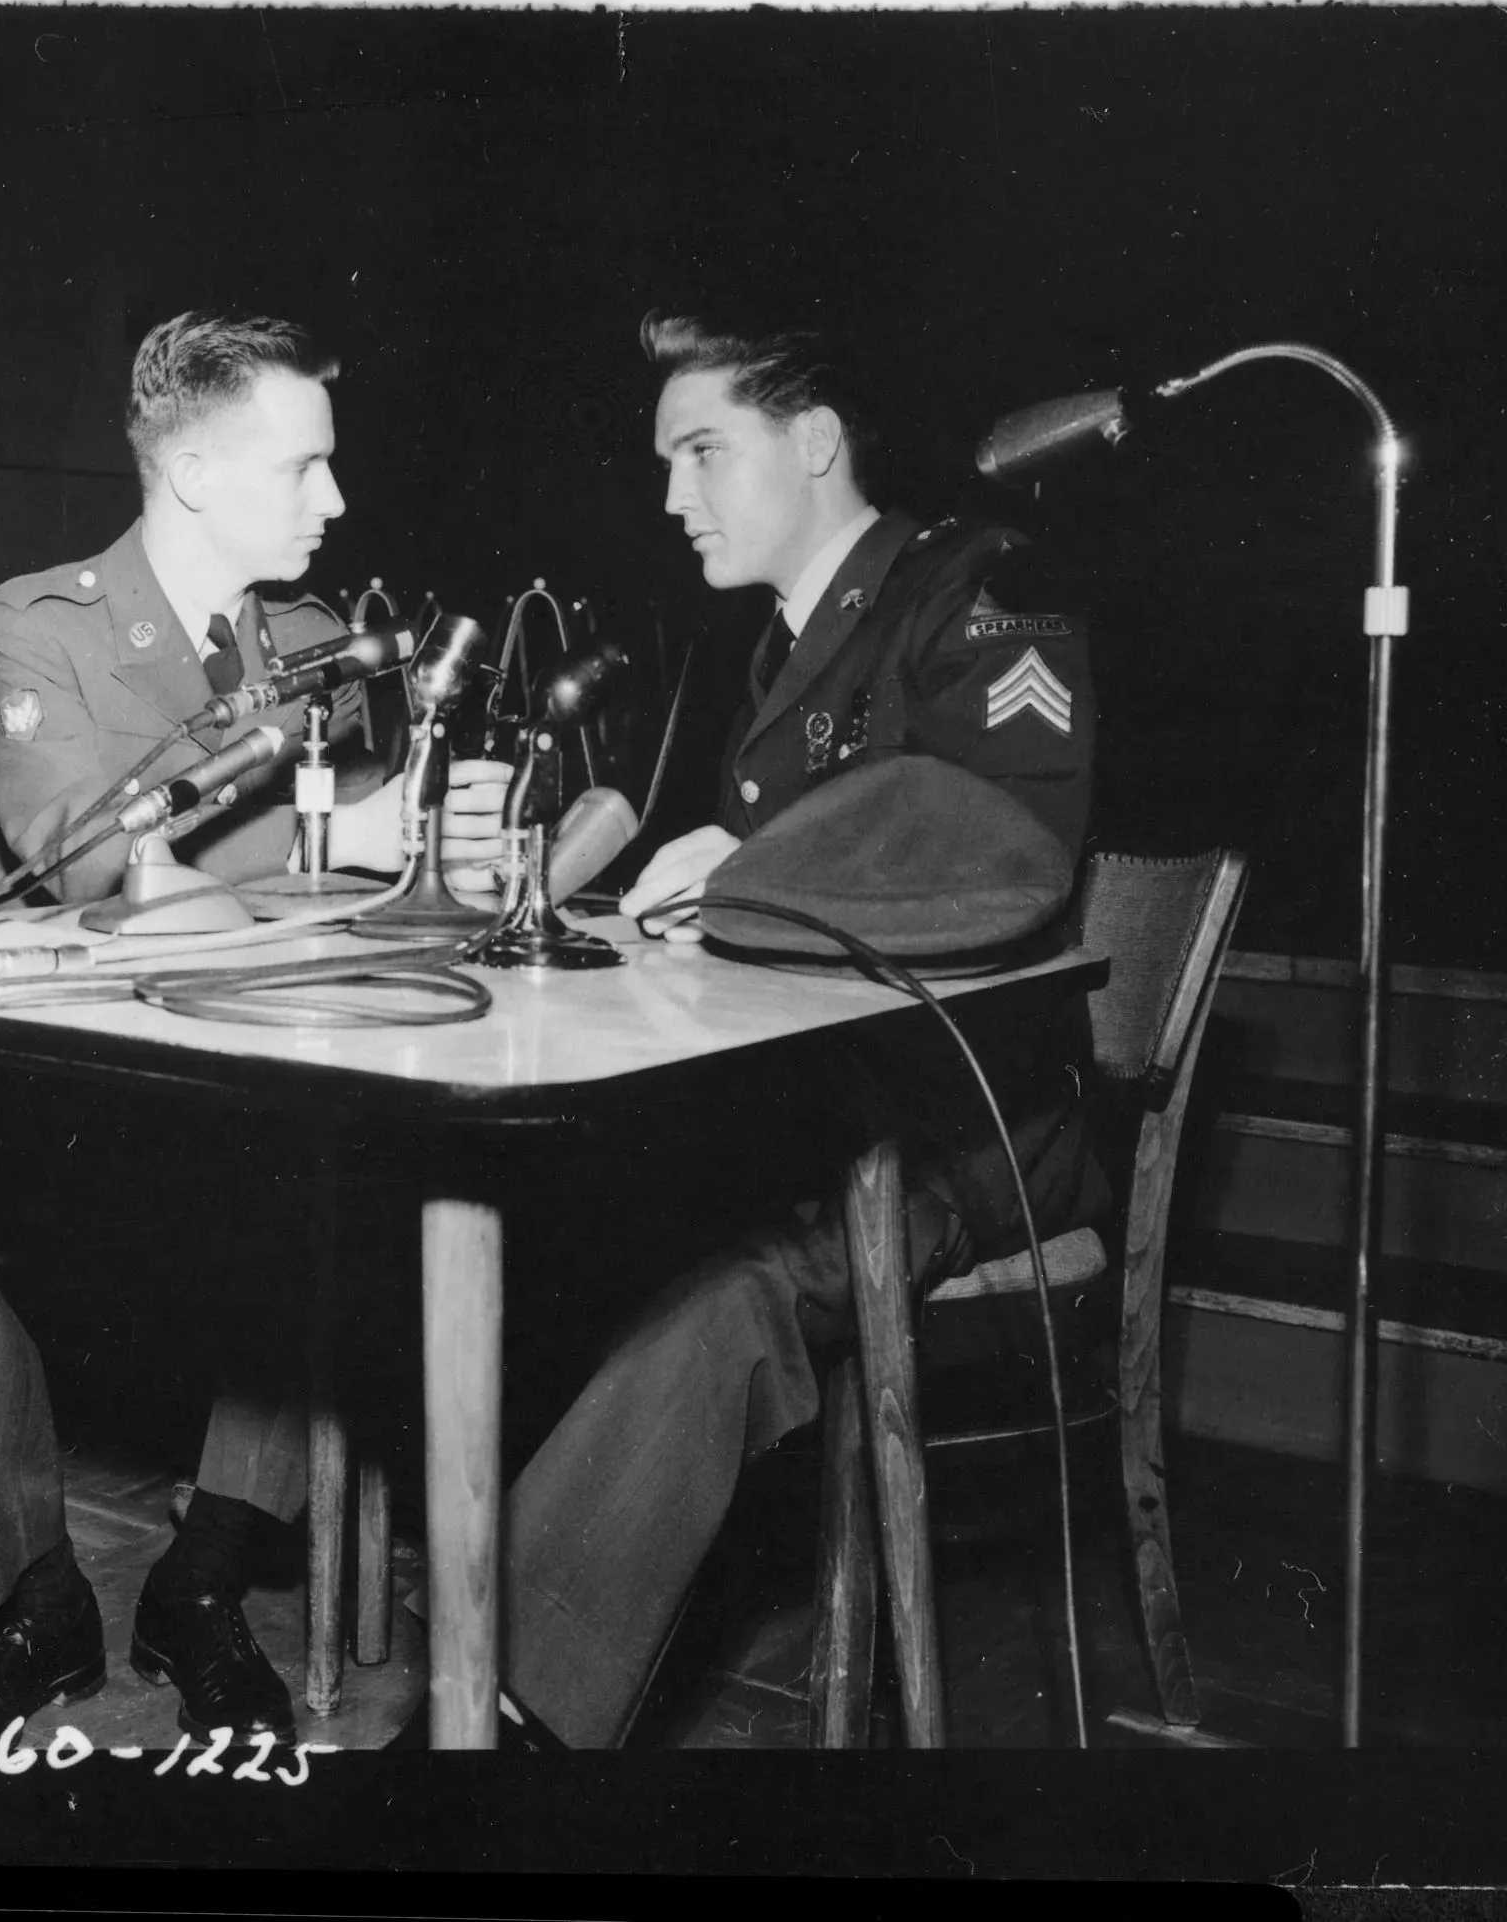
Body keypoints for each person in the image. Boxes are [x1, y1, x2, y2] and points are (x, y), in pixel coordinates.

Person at [0, 312, 509, 1748]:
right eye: (307, 469)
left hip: (274, 1095)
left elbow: (403, 892)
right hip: (92, 1104)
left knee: (339, 1182)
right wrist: (339, 837)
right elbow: (89, 863)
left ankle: (203, 1579)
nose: (337, 504)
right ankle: (32, 1598)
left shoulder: (332, 642)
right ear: (197, 472)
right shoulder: (40, 625)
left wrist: (438, 841)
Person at [462, 311, 1108, 1750]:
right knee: (539, 1212)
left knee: (722, 1301)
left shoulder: (985, 589)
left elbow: (1008, 844)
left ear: (814, 444)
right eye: (665, 458)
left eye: (703, 450)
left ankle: (511, 1721)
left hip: (982, 1128)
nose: (673, 493)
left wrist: (742, 871)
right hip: (832, 1113)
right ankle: (501, 1623)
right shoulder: (776, 647)